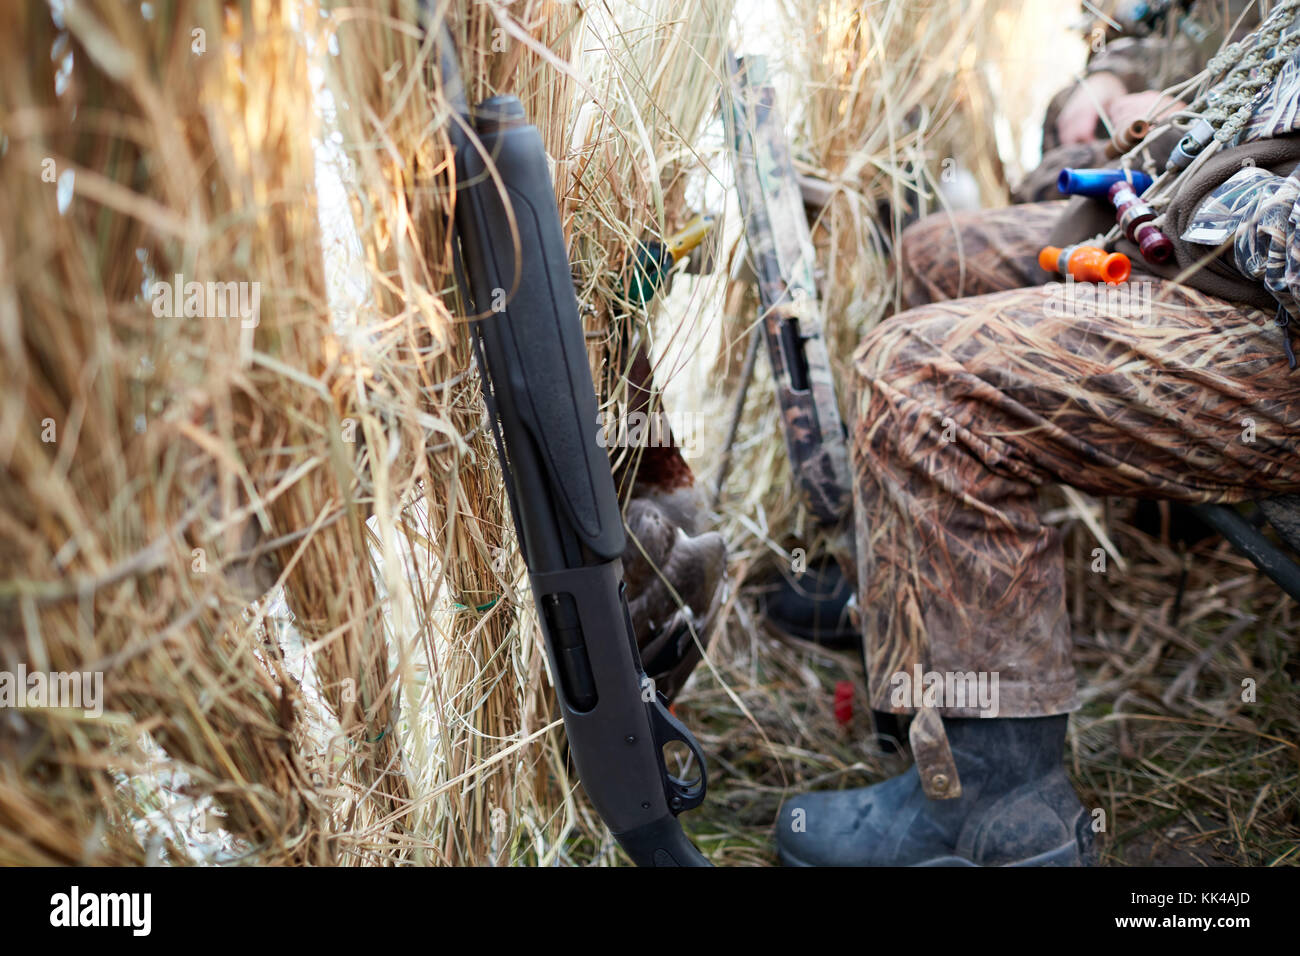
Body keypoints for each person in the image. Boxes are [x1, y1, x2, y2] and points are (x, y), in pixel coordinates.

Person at [776, 6, 1300, 866]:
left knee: (923, 382)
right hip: (1213, 250)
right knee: (936, 258)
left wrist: (1193, 161)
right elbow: (1182, 36)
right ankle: (918, 633)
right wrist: (1105, 90)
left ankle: (994, 809)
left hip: (1273, 327)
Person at [1013, 0, 1258, 203]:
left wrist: (1190, 116)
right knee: (1064, 106)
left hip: (1220, 156)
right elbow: (1174, 48)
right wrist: (1108, 74)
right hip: (1169, 122)